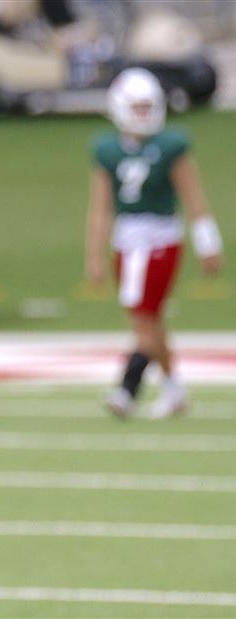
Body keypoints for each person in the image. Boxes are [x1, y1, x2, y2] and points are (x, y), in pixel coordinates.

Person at [85, 67, 223, 420]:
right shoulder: (107, 149)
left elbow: (193, 197)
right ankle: (174, 388)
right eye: (138, 106)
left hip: (161, 239)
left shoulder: (170, 146)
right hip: (126, 241)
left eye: (149, 106)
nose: (144, 114)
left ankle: (127, 388)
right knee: (149, 320)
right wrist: (95, 255)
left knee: (145, 319)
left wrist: (208, 242)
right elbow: (100, 208)